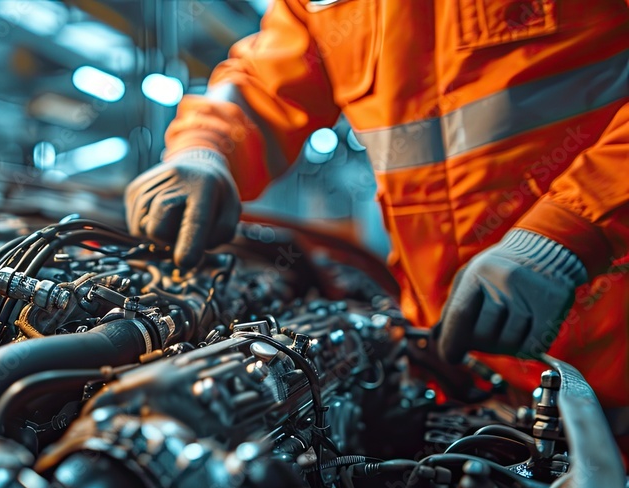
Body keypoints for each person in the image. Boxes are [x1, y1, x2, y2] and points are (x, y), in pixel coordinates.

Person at [124, 0, 629, 414]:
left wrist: (570, 230)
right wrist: (206, 149)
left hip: (608, 344)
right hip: (463, 360)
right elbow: (263, 82)